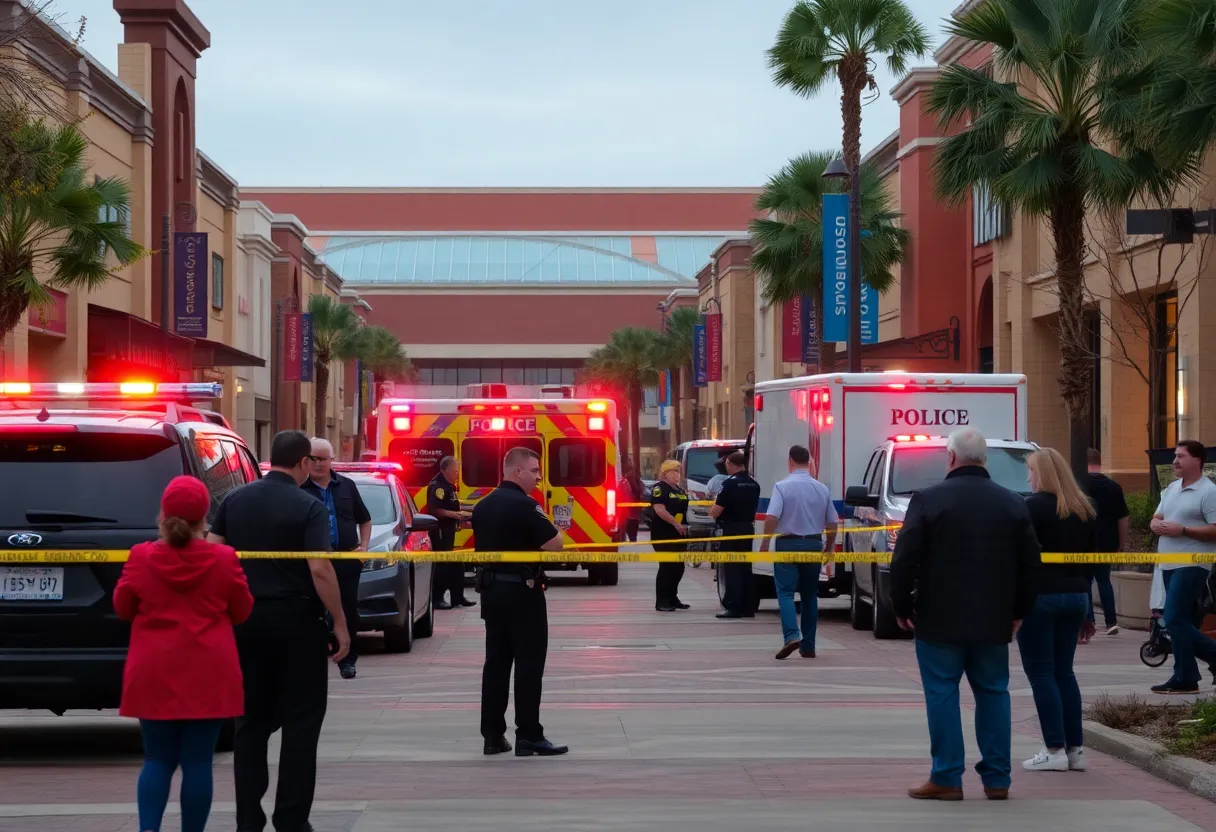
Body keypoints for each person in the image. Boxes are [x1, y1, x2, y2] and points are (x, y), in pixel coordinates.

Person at [207, 429, 350, 832]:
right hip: (297, 622)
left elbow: (214, 553)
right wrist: (340, 623)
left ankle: (248, 820)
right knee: (302, 722)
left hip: (246, 622)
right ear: (304, 463)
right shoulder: (308, 506)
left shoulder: (234, 498)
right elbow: (319, 568)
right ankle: (291, 819)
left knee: (249, 723)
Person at [889, 427, 1040, 802]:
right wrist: (1019, 610)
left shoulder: (928, 500)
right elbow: (1030, 565)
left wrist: (902, 606)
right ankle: (997, 778)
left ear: (951, 457)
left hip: (938, 617)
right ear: (984, 459)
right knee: (993, 693)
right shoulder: (1012, 503)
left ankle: (946, 776)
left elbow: (904, 558)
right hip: (993, 618)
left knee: (941, 694)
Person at [114, 476, 254, 832]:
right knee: (197, 762)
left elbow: (123, 607)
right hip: (209, 671)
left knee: (156, 759)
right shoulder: (224, 558)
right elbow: (242, 610)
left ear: (163, 513)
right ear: (203, 518)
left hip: (154, 670)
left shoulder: (140, 556)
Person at [472, 446, 569, 757]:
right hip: (523, 593)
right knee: (528, 664)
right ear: (517, 472)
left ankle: (492, 736)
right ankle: (528, 734)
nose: (539, 477)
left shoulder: (482, 505)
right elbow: (555, 545)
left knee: (496, 665)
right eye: (535, 471)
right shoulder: (526, 505)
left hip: (491, 593)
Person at [1019, 448, 1097, 773]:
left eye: (1031, 471)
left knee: (1041, 673)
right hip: (1076, 597)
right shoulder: (1083, 509)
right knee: (1065, 672)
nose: (1028, 477)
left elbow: (1020, 557)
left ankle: (1053, 749)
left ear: (1042, 475)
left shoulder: (1030, 507)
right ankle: (1075, 750)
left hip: (1041, 598)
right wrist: (1089, 610)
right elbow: (1093, 562)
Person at [301, 437, 372, 680]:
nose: (318, 464)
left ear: (332, 460)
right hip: (312, 562)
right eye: (313, 459)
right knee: (313, 610)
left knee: (348, 610)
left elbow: (364, 518)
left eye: (323, 459)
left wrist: (363, 546)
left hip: (347, 560)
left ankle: (347, 661)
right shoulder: (299, 489)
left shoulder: (347, 486)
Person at [1149, 439, 1216, 695]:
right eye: (1175, 456)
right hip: (1168, 562)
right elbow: (1158, 517)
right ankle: (1185, 676)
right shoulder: (1172, 488)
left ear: (1197, 460)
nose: (1175, 461)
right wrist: (1156, 525)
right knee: (1181, 622)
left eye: (1181, 456)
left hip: (1193, 563)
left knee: (1175, 619)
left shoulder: (1209, 492)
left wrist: (1183, 530)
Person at [758, 445, 837, 659]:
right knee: (810, 595)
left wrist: (765, 542)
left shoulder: (782, 486)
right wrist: (829, 546)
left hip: (787, 544)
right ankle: (809, 645)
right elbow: (832, 521)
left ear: (790, 461)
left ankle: (792, 635)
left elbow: (772, 517)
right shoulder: (822, 488)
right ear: (809, 462)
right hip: (813, 544)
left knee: (785, 592)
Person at [711, 451, 760, 619]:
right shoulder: (754, 484)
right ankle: (748, 606)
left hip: (731, 530)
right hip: (748, 528)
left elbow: (716, 511)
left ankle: (733, 606)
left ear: (731, 464)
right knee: (746, 568)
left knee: (732, 569)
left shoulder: (729, 484)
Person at [1086, 448, 1127, 636]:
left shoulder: (1078, 485)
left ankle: (1089, 621)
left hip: (1083, 543)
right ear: (1100, 462)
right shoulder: (1114, 487)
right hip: (1107, 542)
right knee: (1104, 580)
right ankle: (1111, 622)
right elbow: (1123, 518)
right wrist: (1121, 543)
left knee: (1085, 581)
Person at [426, 456, 474, 609]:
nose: (457, 473)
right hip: (440, 532)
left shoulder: (449, 486)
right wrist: (456, 515)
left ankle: (457, 597)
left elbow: (453, 506)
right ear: (445, 470)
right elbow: (436, 510)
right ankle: (438, 598)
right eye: (455, 470)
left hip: (450, 531)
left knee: (457, 565)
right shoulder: (438, 487)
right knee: (442, 565)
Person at [650, 459, 690, 611]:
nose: (677, 475)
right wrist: (675, 523)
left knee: (678, 567)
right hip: (664, 534)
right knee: (667, 567)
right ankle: (662, 601)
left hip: (680, 534)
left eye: (678, 472)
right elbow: (660, 509)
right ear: (665, 473)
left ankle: (673, 598)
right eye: (674, 471)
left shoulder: (679, 490)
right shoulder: (660, 488)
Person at [617, 464, 644, 543]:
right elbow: (642, 495)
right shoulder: (638, 482)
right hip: (635, 514)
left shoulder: (624, 482)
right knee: (633, 537)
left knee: (625, 534)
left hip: (627, 513)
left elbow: (622, 496)